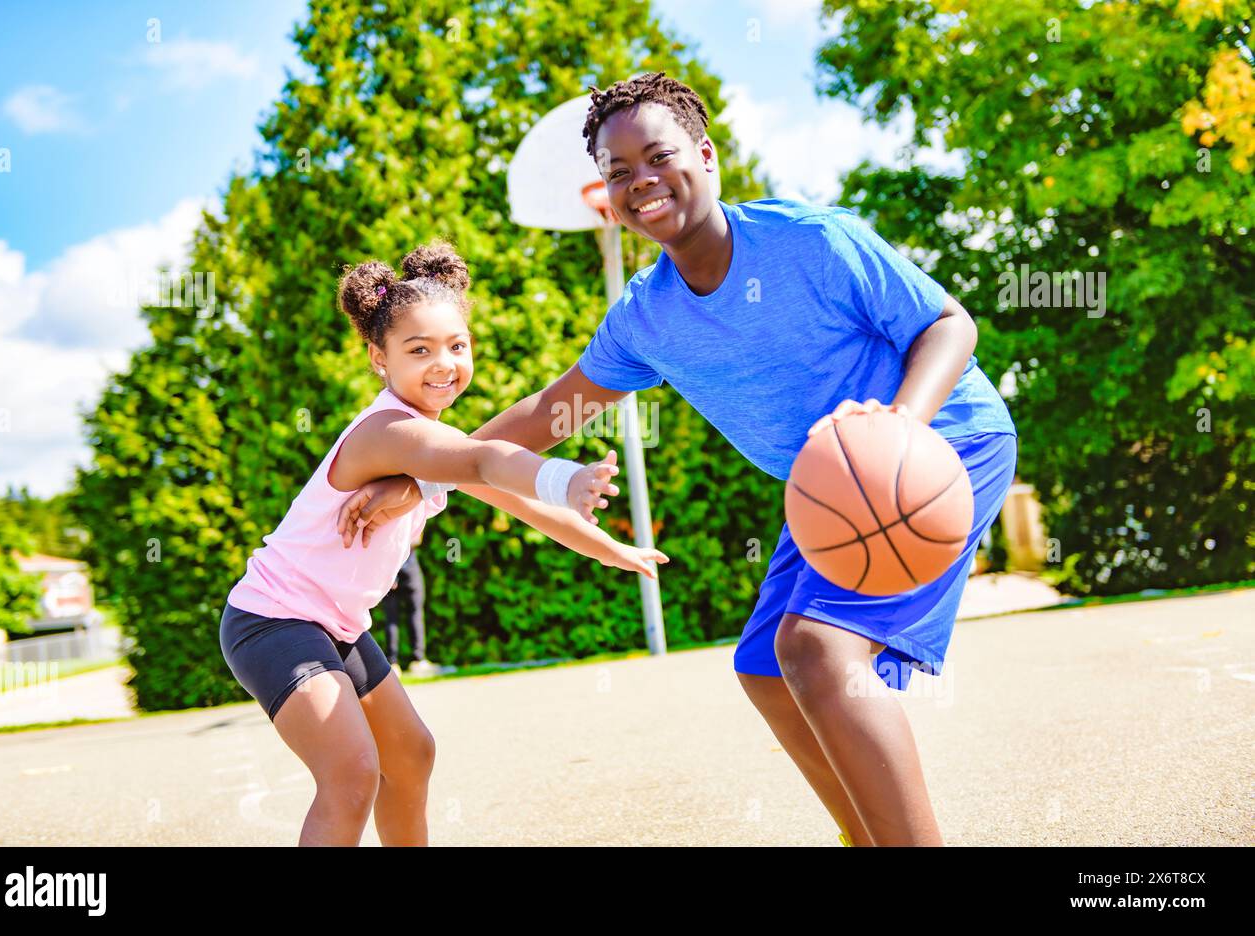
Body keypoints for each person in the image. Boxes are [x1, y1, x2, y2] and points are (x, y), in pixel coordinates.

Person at [336, 75, 1019, 848]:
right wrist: (423, 479)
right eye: (617, 172)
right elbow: (547, 413)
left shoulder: (810, 240)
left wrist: (897, 430)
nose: (639, 182)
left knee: (817, 650)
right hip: (834, 484)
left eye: (657, 157)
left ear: (706, 155)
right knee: (766, 664)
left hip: (943, 443)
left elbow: (947, 325)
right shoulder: (647, 316)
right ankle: (868, 834)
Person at [219, 241, 667, 846]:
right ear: (379, 358)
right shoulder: (387, 430)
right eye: (419, 349)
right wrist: (567, 479)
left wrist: (611, 548)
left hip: (336, 626)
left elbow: (513, 499)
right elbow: (487, 461)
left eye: (457, 346)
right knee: (350, 774)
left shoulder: (427, 447)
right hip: (273, 621)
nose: (443, 363)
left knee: (410, 755)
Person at [376, 528, 436, 677]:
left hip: (395, 567)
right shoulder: (414, 510)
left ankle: (413, 660)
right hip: (396, 568)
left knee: (407, 614)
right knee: (397, 616)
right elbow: (417, 539)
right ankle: (397, 662)